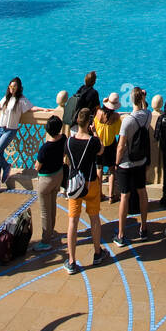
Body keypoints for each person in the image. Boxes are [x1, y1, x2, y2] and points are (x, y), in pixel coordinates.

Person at [62, 108, 107, 274]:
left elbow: (67, 160)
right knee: (94, 219)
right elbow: (101, 150)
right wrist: (95, 133)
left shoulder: (69, 142)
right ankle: (97, 253)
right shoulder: (92, 141)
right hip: (91, 183)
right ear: (89, 123)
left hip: (75, 185)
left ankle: (72, 260)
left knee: (73, 222)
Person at [115, 88, 152, 245]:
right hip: (141, 161)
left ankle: (121, 234)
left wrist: (116, 163)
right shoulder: (148, 115)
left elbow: (121, 146)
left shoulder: (127, 121)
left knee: (125, 195)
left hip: (126, 163)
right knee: (142, 192)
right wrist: (144, 97)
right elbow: (145, 109)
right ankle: (143, 228)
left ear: (131, 100)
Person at [0, 78, 34, 196]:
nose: (12, 88)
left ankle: (7, 166)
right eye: (11, 86)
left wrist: (45, 109)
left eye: (15, 87)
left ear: (18, 88)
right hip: (0, 129)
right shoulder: (6, 98)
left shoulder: (21, 100)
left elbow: (31, 108)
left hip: (10, 130)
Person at [33, 115, 66, 251]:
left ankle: (46, 240)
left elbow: (37, 166)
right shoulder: (63, 138)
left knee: (45, 211)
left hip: (46, 180)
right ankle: (50, 232)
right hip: (58, 175)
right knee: (52, 204)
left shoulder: (45, 148)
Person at [93, 94, 122, 204]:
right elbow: (117, 133)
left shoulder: (98, 113)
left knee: (99, 168)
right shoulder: (116, 117)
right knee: (111, 170)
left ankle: (99, 194)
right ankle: (111, 196)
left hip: (99, 144)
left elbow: (94, 126)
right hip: (110, 145)